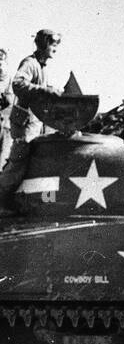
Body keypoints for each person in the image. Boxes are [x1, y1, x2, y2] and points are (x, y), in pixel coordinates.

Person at [0, 30, 63, 214]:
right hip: (25, 124)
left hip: (35, 123)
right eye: (53, 45)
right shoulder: (30, 63)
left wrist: (49, 90)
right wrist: (44, 91)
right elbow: (18, 83)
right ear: (43, 44)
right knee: (17, 164)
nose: (55, 50)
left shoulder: (42, 67)